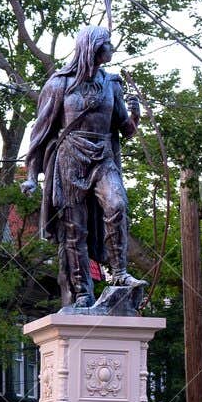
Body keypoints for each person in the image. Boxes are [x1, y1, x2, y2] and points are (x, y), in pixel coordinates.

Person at [23, 25, 145, 310]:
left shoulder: (111, 84)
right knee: (74, 229)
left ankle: (119, 273)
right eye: (107, 44)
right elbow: (40, 132)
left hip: (103, 156)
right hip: (70, 158)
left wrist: (135, 114)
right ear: (93, 47)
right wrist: (31, 176)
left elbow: (125, 129)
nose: (111, 49)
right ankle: (82, 293)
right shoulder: (59, 84)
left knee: (117, 205)